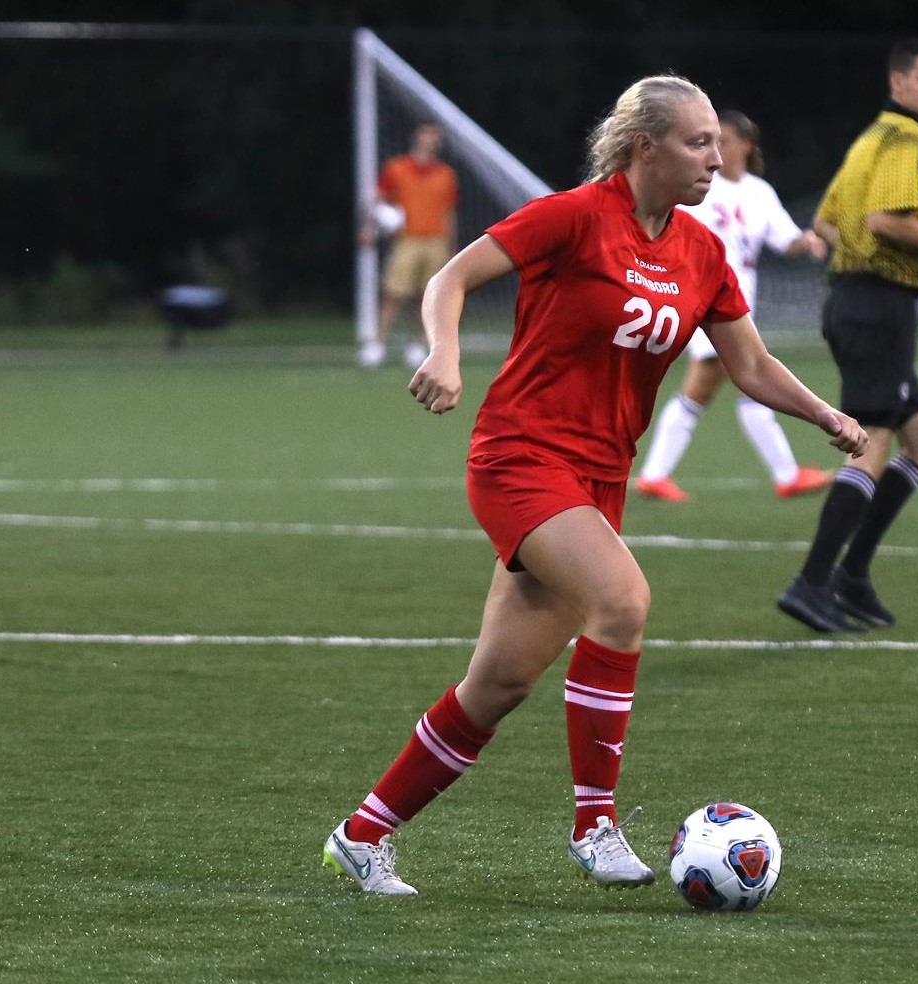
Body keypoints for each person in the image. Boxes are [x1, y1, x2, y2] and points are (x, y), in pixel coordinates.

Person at [323, 74, 868, 896]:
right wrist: (444, 352)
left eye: (716, 143)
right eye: (697, 142)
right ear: (646, 147)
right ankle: (595, 825)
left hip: (599, 476)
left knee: (500, 683)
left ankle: (362, 835)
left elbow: (750, 365)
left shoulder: (700, 251)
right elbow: (449, 279)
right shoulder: (574, 216)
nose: (715, 158)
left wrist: (825, 415)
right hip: (521, 456)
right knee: (624, 600)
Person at [776, 38, 918, 634]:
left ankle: (852, 574)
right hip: (876, 308)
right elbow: (883, 220)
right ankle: (811, 581)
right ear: (898, 83)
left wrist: (903, 258)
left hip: (863, 302)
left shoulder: (870, 139)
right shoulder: (905, 138)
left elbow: (827, 222)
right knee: (870, 443)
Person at [635, 109, 833, 503]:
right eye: (707, 141)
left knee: (715, 387)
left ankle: (655, 475)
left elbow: (785, 240)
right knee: (746, 380)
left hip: (737, 303)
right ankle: (786, 475)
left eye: (722, 140)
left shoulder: (759, 192)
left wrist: (808, 241)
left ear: (746, 145)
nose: (715, 149)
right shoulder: (697, 186)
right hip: (701, 299)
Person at [358, 121, 458, 370]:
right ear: (417, 136)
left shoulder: (446, 174)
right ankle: (377, 345)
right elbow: (377, 198)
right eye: (427, 134)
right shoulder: (397, 168)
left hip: (436, 240)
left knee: (429, 297)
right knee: (393, 293)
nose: (431, 140)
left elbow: (449, 212)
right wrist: (369, 226)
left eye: (435, 136)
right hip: (407, 239)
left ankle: (417, 345)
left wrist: (451, 246)